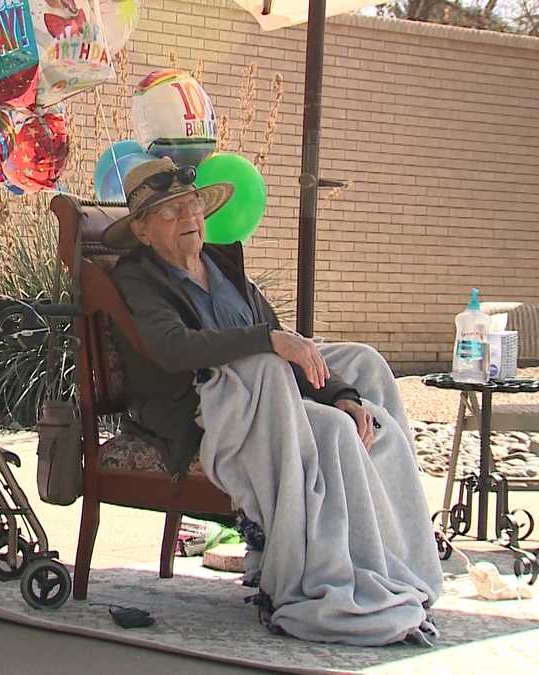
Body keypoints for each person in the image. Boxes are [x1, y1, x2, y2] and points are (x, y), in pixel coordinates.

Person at [104, 157, 443, 646]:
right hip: (207, 409)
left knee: (363, 370)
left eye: (192, 204)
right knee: (321, 421)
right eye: (170, 211)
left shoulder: (222, 263)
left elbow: (287, 345)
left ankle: (400, 566)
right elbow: (173, 348)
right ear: (142, 230)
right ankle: (331, 575)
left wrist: (343, 394)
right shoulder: (139, 277)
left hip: (270, 393)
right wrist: (268, 342)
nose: (189, 218)